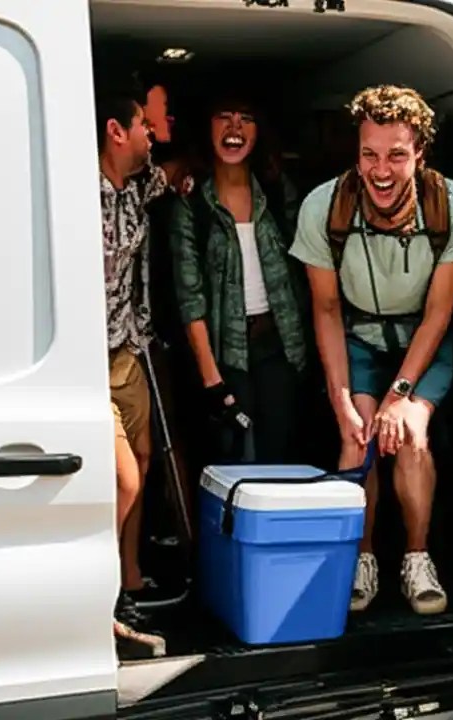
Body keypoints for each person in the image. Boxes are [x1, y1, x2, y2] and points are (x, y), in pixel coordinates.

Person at [290, 85, 453, 615]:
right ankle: (362, 557)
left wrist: (401, 395)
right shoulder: (323, 207)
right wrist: (342, 400)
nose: (381, 169)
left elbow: (439, 314)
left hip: (424, 336)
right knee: (359, 437)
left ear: (420, 153)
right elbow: (325, 310)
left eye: (397, 154)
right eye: (369, 153)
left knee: (411, 433)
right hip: (358, 334)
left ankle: (417, 558)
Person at [96, 75, 190, 648]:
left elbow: (174, 170)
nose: (151, 136)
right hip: (84, 358)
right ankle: (97, 602)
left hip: (129, 349)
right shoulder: (75, 190)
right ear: (116, 131)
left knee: (143, 462)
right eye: (144, 127)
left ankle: (128, 577)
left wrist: (190, 169)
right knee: (119, 479)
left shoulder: (137, 185)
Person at [169, 93, 310, 465]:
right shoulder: (192, 202)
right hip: (225, 349)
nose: (234, 128)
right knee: (234, 457)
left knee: (280, 454)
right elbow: (190, 298)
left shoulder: (280, 193)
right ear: (208, 128)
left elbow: (308, 272)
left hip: (279, 344)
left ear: (259, 131)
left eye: (245, 118)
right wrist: (211, 377)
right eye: (224, 117)